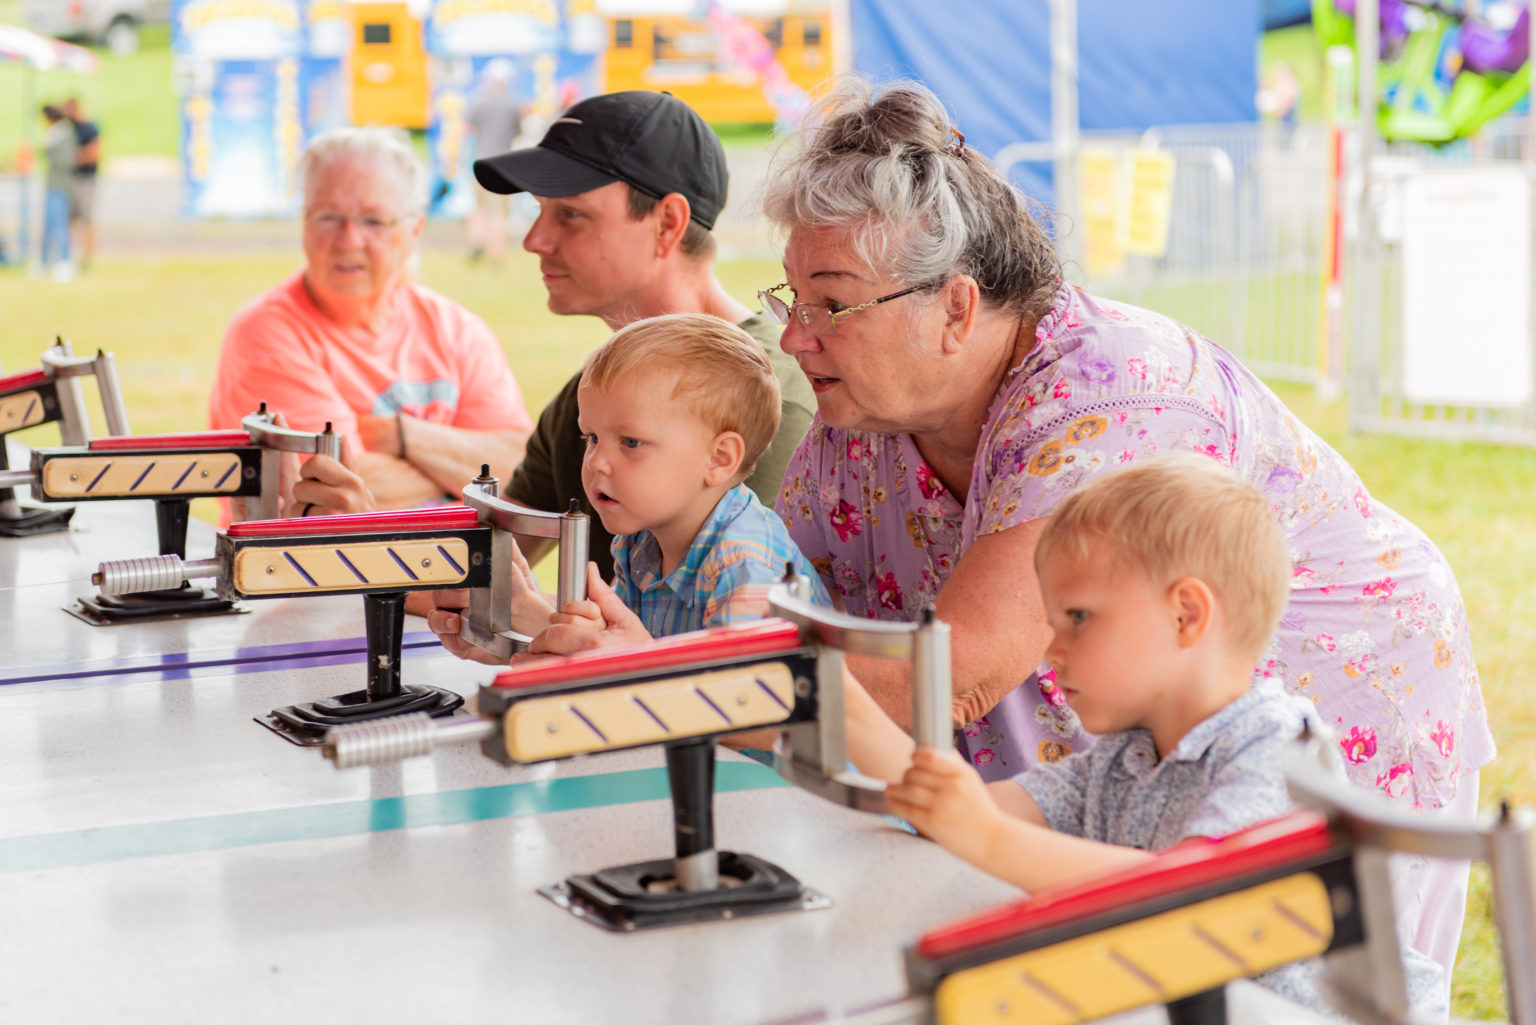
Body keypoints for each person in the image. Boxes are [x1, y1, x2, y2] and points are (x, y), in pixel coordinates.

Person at [745, 79, 1486, 990]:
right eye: (790, 299)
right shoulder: (855, 429)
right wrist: (690, 659)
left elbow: (959, 671)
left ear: (956, 306)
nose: (794, 338)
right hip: (1133, 736)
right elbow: (814, 643)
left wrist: (722, 675)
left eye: (830, 305)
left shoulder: (1110, 393)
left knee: (1309, 980)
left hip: (1335, 677)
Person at [872, 455, 1446, 1020]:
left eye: (1078, 618)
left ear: (1185, 615)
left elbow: (1194, 901)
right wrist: (846, 708)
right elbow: (947, 806)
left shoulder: (1276, 748)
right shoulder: (1125, 756)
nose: (1052, 651)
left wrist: (988, 836)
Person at [294, 90, 814, 584]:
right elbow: (487, 570)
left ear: (667, 223)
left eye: (570, 215)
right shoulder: (587, 401)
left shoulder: (767, 400)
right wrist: (357, 537)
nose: (534, 240)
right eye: (539, 211)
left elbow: (734, 646)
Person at [434, 313, 829, 663]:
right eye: (591, 438)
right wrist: (519, 621)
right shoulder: (642, 540)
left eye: (631, 442)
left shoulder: (745, 569)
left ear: (719, 458)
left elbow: (739, 708)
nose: (597, 462)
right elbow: (609, 648)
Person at [208, 126, 534, 515]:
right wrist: (472, 480)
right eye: (329, 217)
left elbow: (524, 470)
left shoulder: (457, 331)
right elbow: (328, 495)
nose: (349, 239)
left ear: (414, 229)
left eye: (374, 221)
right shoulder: (266, 334)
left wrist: (401, 437)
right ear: (304, 221)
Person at [464, 59, 522, 264]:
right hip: (503, 165)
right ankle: (496, 253)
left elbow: (470, 129)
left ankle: (477, 243)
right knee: (498, 212)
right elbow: (517, 132)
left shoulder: (478, 102)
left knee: (478, 207)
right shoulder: (512, 105)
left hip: (480, 161)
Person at [38, 105, 77, 282]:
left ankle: (65, 260)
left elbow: (66, 160)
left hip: (61, 186)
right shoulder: (55, 133)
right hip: (52, 185)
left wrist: (49, 151)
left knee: (60, 225)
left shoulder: (64, 134)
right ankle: (45, 260)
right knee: (48, 225)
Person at [62, 97, 100, 271]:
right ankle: (73, 253)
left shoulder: (88, 129)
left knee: (86, 217)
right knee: (71, 218)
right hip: (72, 178)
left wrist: (74, 157)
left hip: (86, 179)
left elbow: (94, 154)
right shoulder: (69, 128)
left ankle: (87, 254)